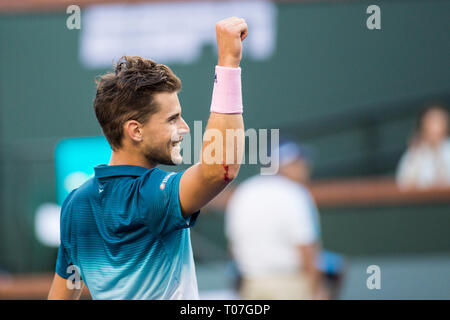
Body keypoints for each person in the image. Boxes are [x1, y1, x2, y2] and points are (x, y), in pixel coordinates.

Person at [48, 17, 248, 300]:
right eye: (172, 119)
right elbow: (220, 170)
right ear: (136, 130)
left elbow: (65, 290)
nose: (184, 128)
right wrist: (228, 63)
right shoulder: (152, 195)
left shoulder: (75, 205)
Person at [225, 141, 327, 300]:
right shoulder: (295, 193)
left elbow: (233, 246)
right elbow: (306, 248)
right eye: (297, 163)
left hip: (251, 286)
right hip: (290, 286)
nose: (304, 167)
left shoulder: (244, 191)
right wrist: (318, 290)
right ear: (282, 166)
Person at [396, 105, 450, 189]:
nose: (434, 126)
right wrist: (414, 156)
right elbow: (404, 185)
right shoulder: (414, 152)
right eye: (431, 121)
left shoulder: (448, 149)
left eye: (439, 121)